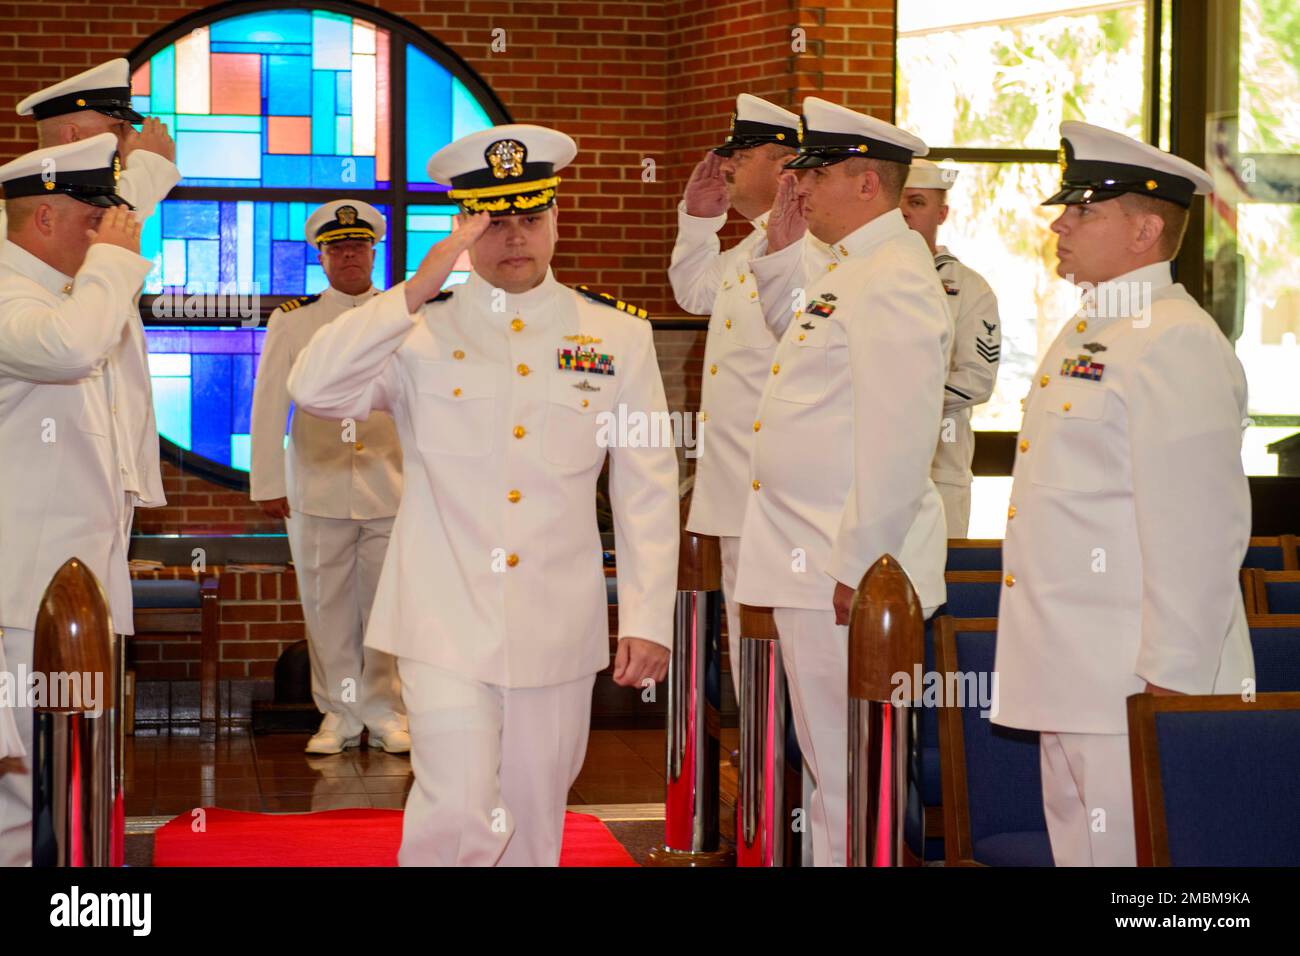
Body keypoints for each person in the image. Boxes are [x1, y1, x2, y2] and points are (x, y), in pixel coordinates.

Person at [286, 124, 679, 865]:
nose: (515, 238)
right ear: (464, 232)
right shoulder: (416, 332)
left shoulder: (615, 337)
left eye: (530, 218)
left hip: (557, 623)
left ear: (557, 220)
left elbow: (647, 482)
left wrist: (649, 615)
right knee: (458, 809)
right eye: (493, 223)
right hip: (443, 620)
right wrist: (415, 286)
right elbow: (313, 390)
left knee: (534, 815)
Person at [993, 122, 1254, 867]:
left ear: (1145, 230)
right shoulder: (1095, 327)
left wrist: (1168, 689)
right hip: (1071, 672)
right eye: (1065, 208)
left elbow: (1199, 534)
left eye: (1082, 212)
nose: (1058, 224)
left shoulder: (1175, 341)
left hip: (1131, 684)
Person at [735, 98, 951, 865]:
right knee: (833, 768)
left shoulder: (893, 276)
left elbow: (897, 438)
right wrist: (783, 250)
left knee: (855, 772)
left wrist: (861, 566)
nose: (800, 188)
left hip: (843, 568)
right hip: (811, 559)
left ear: (866, 183)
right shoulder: (853, 269)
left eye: (815, 174)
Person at [0, 134, 151, 866]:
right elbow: (69, 349)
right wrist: (116, 262)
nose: (106, 232)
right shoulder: (10, 295)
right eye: (95, 218)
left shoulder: (66, 295)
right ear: (45, 220)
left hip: (73, 600)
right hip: (17, 605)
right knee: (18, 798)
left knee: (76, 785)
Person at [249, 199, 408, 755]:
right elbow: (269, 401)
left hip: (391, 482)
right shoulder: (294, 319)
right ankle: (339, 714)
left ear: (373, 251)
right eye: (336, 247)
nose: (348, 255)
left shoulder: (403, 314)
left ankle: (386, 711)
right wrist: (268, 480)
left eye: (358, 245)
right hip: (315, 483)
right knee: (325, 604)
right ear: (321, 256)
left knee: (386, 605)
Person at [669, 93, 799, 704]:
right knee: (751, 652)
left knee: (791, 656)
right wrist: (698, 222)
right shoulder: (750, 248)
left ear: (784, 165)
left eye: (740, 156)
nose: (725, 166)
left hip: (781, 491)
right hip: (734, 486)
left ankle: (788, 782)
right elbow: (694, 293)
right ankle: (762, 776)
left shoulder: (811, 254)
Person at [900, 159, 1001, 537]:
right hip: (859, 470)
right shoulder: (856, 276)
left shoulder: (970, 288)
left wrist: (897, 401)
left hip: (939, 470)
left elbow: (977, 380)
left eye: (917, 202)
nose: (904, 213)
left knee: (935, 589)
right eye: (896, 203)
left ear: (941, 212)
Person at [2, 58, 179, 238]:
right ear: (73, 136)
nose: (133, 135)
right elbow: (106, 219)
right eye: (119, 127)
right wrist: (152, 161)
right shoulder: (14, 220)